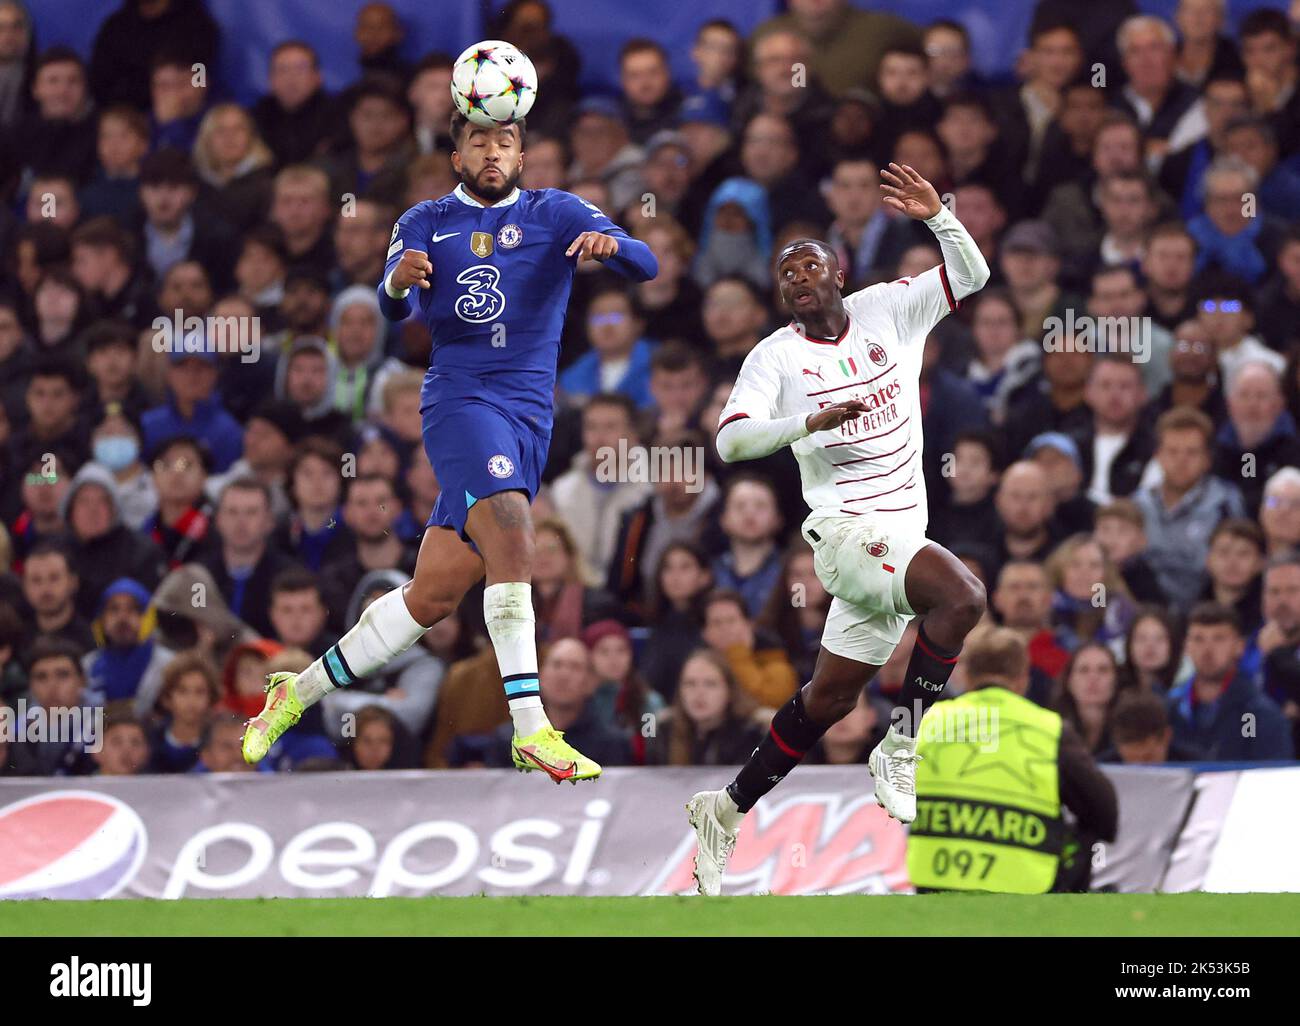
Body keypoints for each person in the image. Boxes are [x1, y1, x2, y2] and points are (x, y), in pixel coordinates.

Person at [241, 111, 656, 785]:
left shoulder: (556, 212)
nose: (492, 152)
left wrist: (614, 249)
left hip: (529, 420)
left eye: (505, 141)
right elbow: (389, 306)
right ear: (457, 155)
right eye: (478, 142)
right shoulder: (424, 219)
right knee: (518, 540)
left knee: (430, 598)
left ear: (522, 154)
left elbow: (649, 262)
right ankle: (531, 729)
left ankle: (297, 693)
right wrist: (400, 280)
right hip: (461, 402)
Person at [686, 160, 991, 895]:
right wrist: (806, 423)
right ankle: (903, 744)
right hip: (847, 536)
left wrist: (937, 216)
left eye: (808, 262)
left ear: (838, 272)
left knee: (827, 700)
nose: (796, 274)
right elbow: (728, 442)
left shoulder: (890, 307)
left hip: (897, 538)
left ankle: (722, 810)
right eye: (784, 269)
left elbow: (972, 276)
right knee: (964, 598)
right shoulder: (777, 357)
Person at [907, 627, 1118, 894]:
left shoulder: (926, 722)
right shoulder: (1049, 728)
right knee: (1083, 833)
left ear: (966, 676)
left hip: (935, 883)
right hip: (1023, 893)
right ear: (1023, 679)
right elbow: (1105, 814)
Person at [1166, 602, 1293, 760]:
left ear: (1239, 647)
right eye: (1198, 639)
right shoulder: (1168, 710)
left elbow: (1267, 775)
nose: (1207, 650)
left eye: (1219, 639)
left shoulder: (1254, 715)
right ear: (1186, 646)